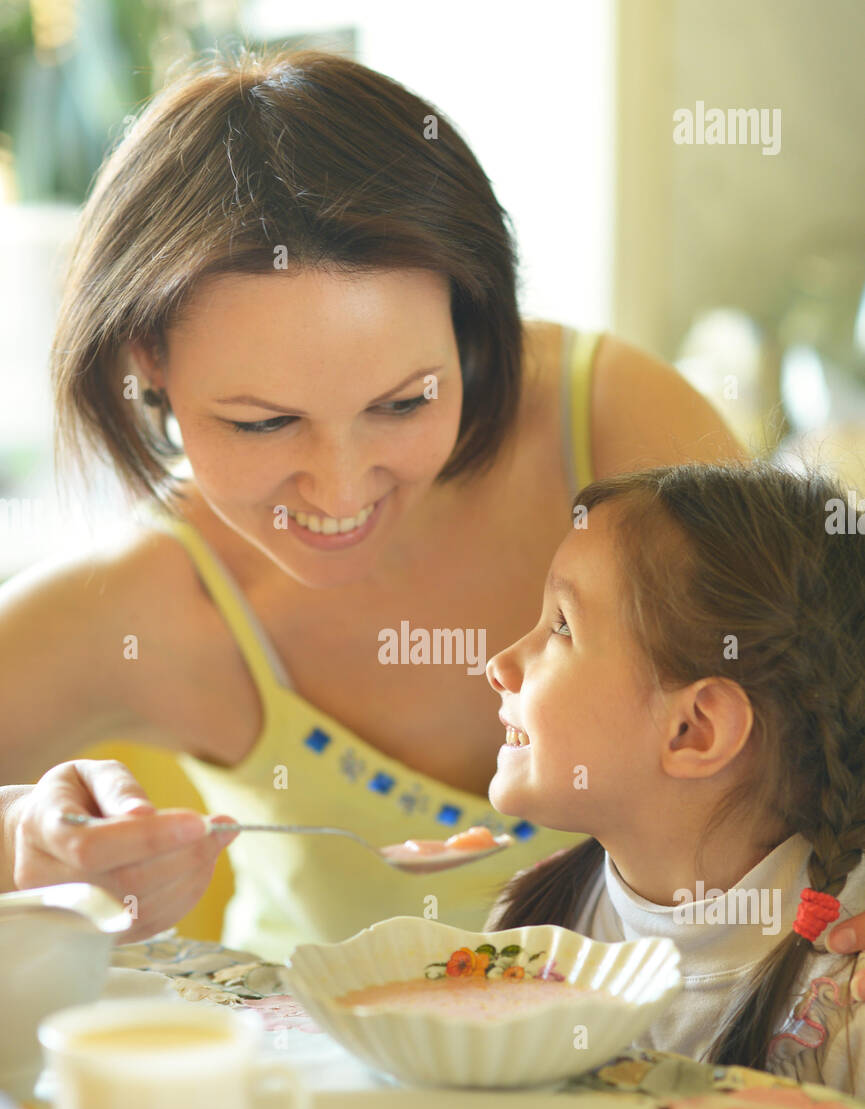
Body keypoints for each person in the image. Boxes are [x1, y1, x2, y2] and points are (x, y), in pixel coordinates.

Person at [3, 46, 863, 979]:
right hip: (328, 1104)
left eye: (404, 403)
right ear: (147, 362)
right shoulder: (143, 606)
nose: (339, 490)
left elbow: (828, 685)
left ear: (468, 323)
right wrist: (27, 842)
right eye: (264, 422)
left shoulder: (612, 430)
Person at [483, 459, 865, 1093]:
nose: (499, 664)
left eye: (561, 627)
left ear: (696, 730)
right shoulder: (526, 926)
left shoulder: (844, 1004)